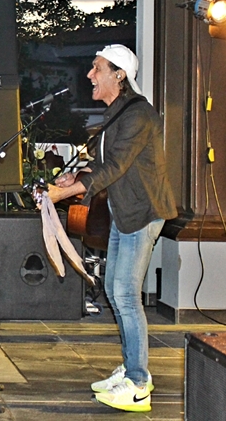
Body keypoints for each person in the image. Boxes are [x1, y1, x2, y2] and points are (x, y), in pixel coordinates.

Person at [45, 45, 176, 413]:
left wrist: (63, 192)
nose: (90, 75)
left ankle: (138, 382)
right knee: (115, 291)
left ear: (118, 75)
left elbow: (115, 167)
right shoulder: (118, 113)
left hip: (142, 213)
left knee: (124, 293)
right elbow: (107, 167)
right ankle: (130, 367)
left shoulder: (138, 115)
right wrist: (78, 175)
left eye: (96, 68)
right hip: (125, 211)